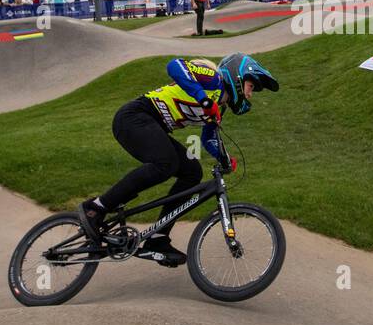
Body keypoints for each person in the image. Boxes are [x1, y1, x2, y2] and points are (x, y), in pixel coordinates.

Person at [77, 53, 280, 264]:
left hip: (152, 126)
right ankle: (96, 207)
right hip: (134, 118)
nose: (251, 94)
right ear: (238, 76)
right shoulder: (213, 79)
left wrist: (225, 158)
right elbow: (174, 66)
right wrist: (202, 98)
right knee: (166, 163)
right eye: (251, 86)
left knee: (192, 172)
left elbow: (208, 138)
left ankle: (158, 237)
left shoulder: (218, 107)